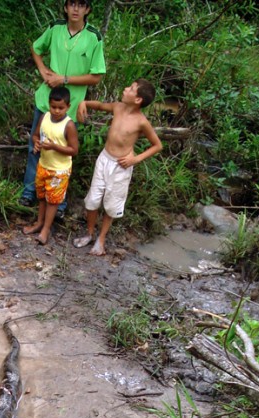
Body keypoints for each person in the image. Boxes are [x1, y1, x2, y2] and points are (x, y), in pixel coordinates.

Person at [20, 0, 106, 214]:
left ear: (87, 10)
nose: (76, 9)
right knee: (37, 147)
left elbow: (96, 76)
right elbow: (36, 48)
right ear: (66, 7)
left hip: (71, 106)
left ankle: (59, 203)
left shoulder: (93, 37)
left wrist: (64, 79)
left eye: (81, 5)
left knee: (64, 154)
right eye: (72, 4)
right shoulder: (55, 28)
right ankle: (29, 193)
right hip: (46, 101)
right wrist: (43, 71)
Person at [73, 79, 163, 255]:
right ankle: (89, 234)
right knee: (93, 199)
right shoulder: (118, 107)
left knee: (112, 204)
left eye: (131, 88)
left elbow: (157, 145)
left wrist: (135, 159)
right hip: (104, 159)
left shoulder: (141, 122)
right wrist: (83, 103)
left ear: (138, 100)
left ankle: (101, 240)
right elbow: (99, 105)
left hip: (121, 166)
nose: (125, 88)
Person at [23, 86, 79, 245]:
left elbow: (74, 150)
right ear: (48, 104)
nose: (56, 111)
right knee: (41, 197)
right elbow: (35, 136)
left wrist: (54, 146)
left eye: (61, 108)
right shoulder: (44, 117)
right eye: (53, 107)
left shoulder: (69, 125)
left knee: (53, 201)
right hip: (43, 165)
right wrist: (37, 144)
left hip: (59, 170)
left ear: (68, 107)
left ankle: (46, 229)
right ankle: (39, 223)